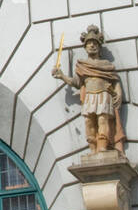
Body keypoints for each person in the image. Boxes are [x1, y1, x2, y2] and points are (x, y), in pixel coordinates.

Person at [53, 24, 126, 154]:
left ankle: (102, 146)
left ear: (99, 47)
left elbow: (114, 80)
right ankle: (93, 148)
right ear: (85, 47)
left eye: (94, 43)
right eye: (89, 43)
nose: (92, 45)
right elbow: (76, 82)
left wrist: (119, 92)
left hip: (103, 94)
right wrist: (62, 76)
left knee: (102, 120)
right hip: (89, 96)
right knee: (88, 121)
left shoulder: (106, 65)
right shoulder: (82, 65)